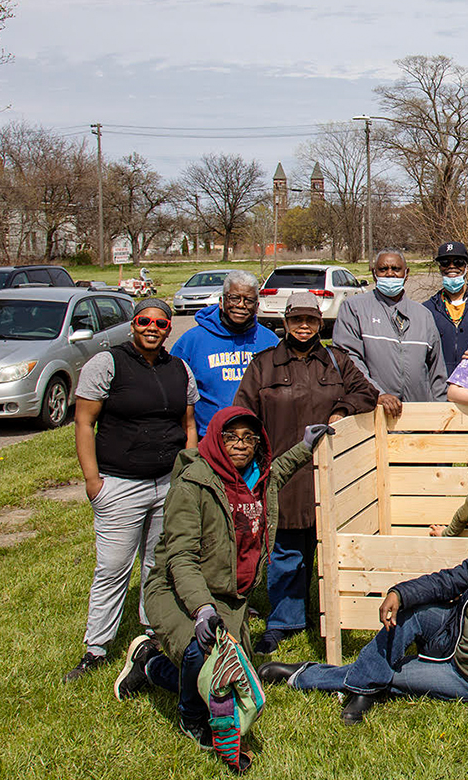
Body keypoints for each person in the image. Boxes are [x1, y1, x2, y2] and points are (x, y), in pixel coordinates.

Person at [111, 407, 328, 758]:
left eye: (248, 438)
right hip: (177, 589)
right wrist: (202, 609)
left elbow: (280, 471)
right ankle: (191, 717)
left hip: (230, 596)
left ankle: (149, 664)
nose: (240, 445)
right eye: (231, 437)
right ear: (215, 438)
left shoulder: (257, 477)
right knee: (205, 650)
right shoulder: (193, 484)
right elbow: (180, 558)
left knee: (231, 679)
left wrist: (305, 446)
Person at [259, 511, 468, 724]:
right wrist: (400, 593)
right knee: (408, 614)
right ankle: (364, 689)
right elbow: (450, 580)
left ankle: (302, 676)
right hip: (453, 634)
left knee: (389, 676)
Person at [234, 292, 390, 654]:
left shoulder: (336, 361)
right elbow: (244, 412)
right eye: (296, 320)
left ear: (321, 324)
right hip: (284, 473)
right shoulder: (264, 365)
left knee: (333, 549)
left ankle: (333, 613)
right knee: (286, 551)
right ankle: (284, 620)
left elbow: (366, 392)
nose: (303, 327)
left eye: (311, 321)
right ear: (284, 323)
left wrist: (342, 409)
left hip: (331, 474)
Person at [66, 298, 199, 682]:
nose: (152, 328)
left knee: (158, 566)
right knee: (112, 567)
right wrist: (94, 481)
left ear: (169, 327)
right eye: (145, 321)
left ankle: (149, 635)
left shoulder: (180, 369)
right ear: (133, 324)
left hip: (167, 483)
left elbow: (188, 424)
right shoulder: (107, 364)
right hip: (120, 483)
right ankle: (97, 647)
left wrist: (185, 472)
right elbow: (83, 423)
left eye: (160, 322)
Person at [170, 270, 279, 437]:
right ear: (221, 301)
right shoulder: (191, 342)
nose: (241, 305)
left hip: (256, 438)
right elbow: (174, 396)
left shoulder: (270, 341)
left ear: (257, 307)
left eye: (248, 300)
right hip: (208, 439)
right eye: (234, 298)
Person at [333, 248, 446, 407]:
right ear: (374, 273)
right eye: (383, 269)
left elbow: (437, 370)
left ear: (406, 273)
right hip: (374, 412)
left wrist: (439, 410)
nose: (390, 274)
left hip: (418, 415)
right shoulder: (354, 308)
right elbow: (350, 359)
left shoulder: (423, 315)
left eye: (396, 269)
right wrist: (376, 394)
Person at [424, 241, 468, 377]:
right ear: (440, 268)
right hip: (439, 388)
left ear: (467, 267)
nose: (451, 267)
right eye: (445, 263)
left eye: (458, 262)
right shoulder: (426, 309)